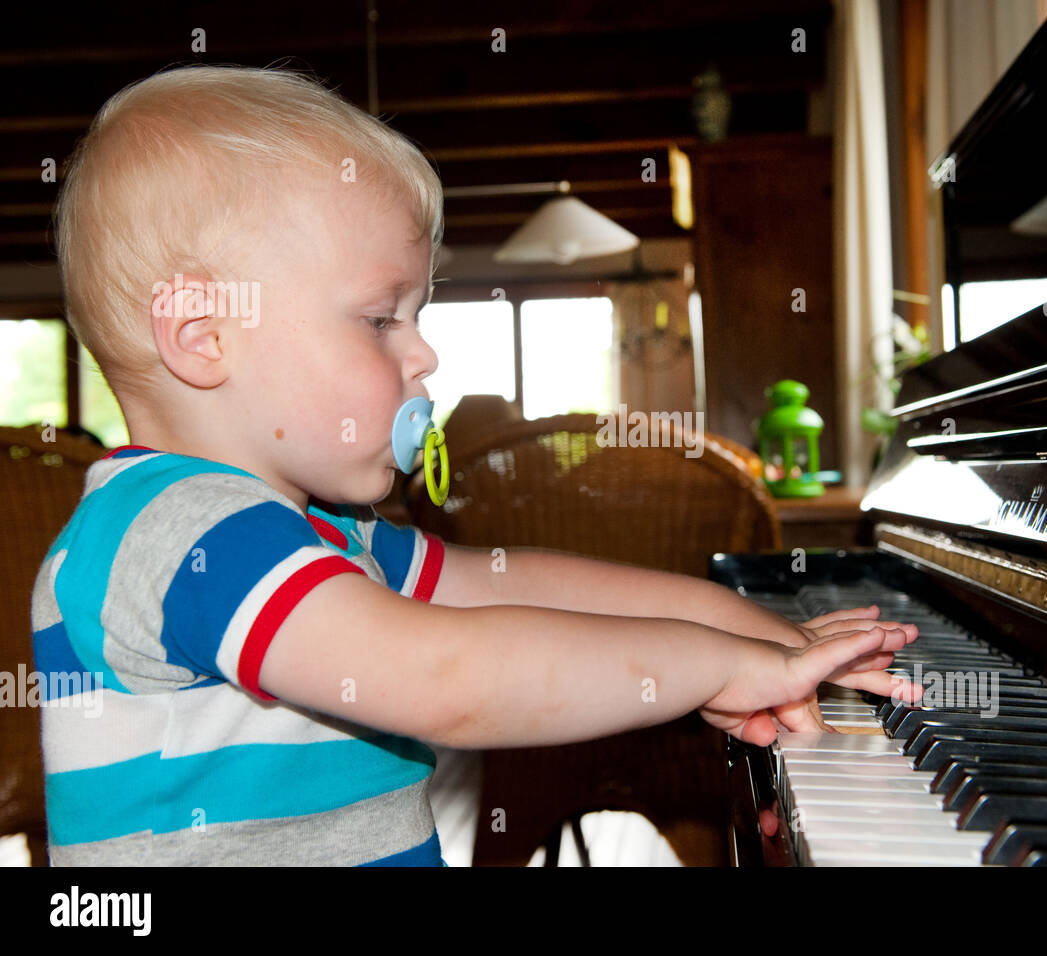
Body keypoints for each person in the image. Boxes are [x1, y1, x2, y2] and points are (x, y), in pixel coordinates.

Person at [32, 64, 919, 866]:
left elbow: (505, 582)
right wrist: (717, 669)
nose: (424, 357)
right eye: (382, 319)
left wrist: (755, 633)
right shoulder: (177, 532)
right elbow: (443, 678)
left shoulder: (328, 534)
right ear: (204, 336)